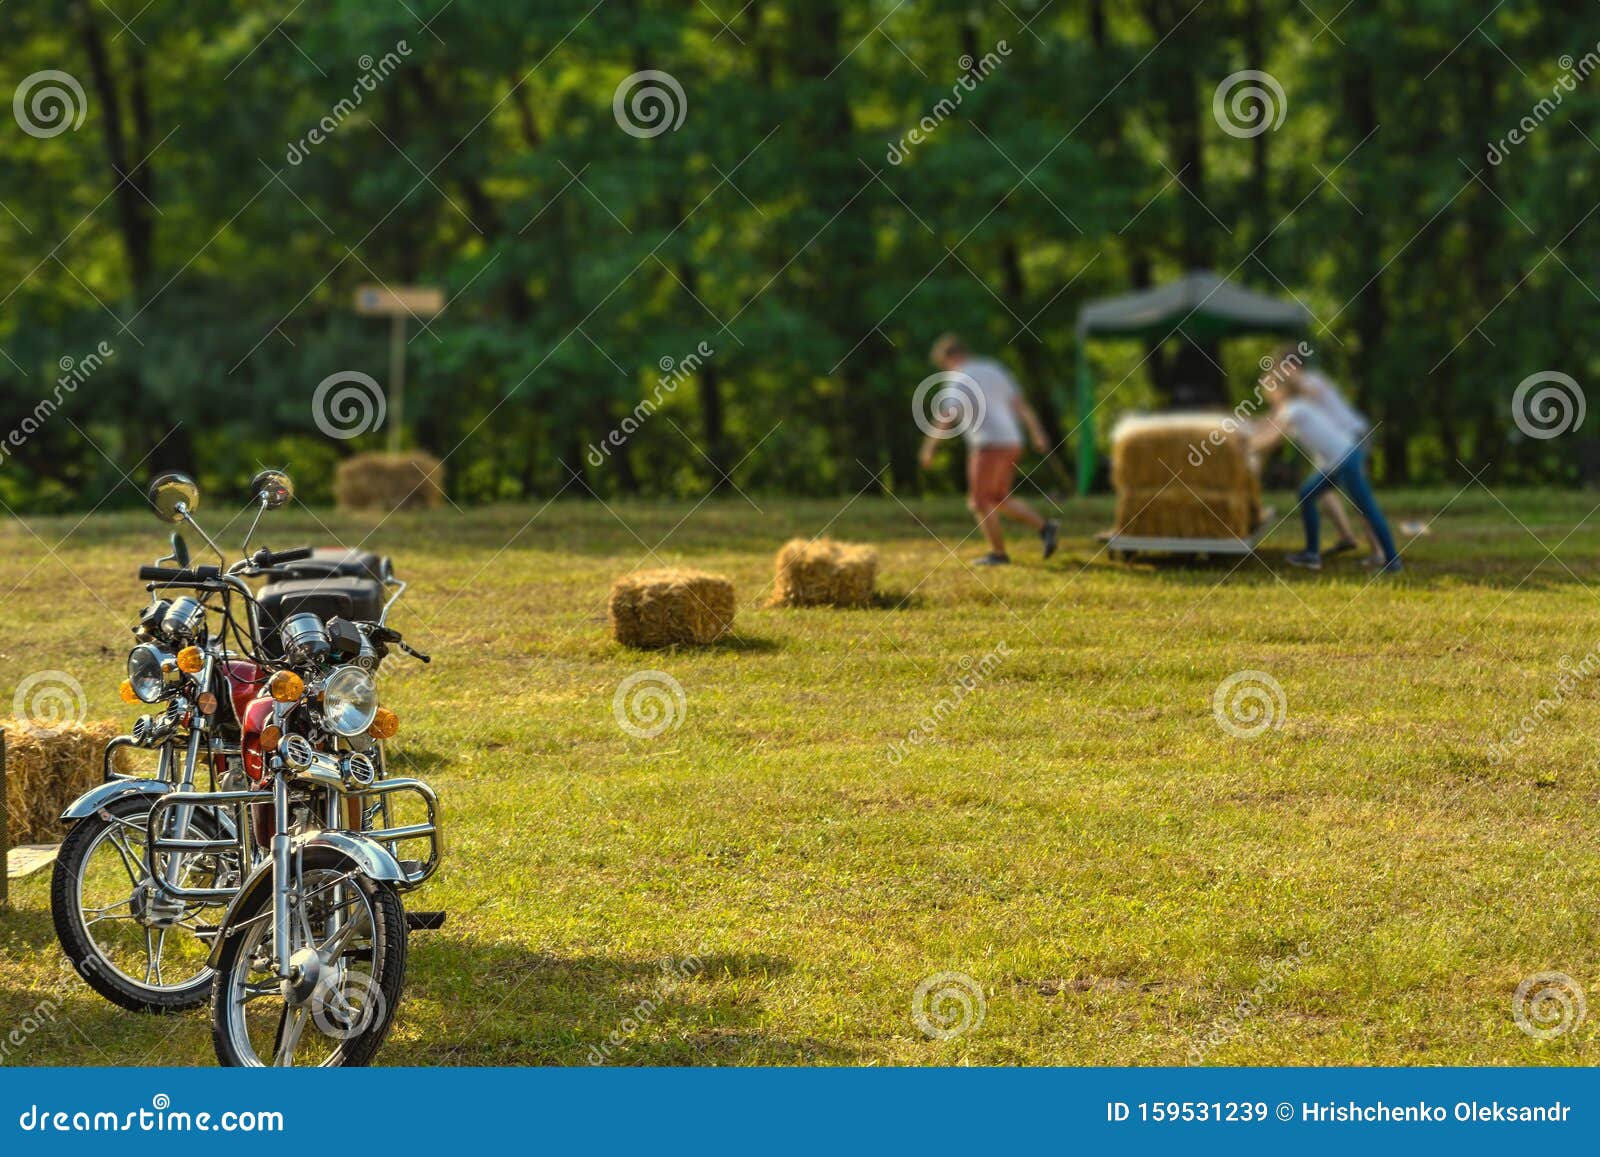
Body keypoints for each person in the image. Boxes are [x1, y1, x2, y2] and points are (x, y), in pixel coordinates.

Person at [918, 334, 1059, 566]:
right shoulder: (995, 369)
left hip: (988, 444)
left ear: (950, 357)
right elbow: (1020, 405)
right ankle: (1045, 528)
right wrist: (1037, 434)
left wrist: (929, 448)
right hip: (1012, 441)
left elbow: (946, 416)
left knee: (979, 501)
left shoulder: (958, 377)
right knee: (998, 498)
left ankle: (998, 554)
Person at [1251, 365, 1401, 574]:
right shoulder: (1294, 407)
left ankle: (1393, 562)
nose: (1267, 395)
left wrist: (1244, 446)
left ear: (1282, 390)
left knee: (1367, 508)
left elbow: (1271, 439)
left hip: (1346, 460)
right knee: (1307, 494)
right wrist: (1247, 432)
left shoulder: (1294, 409)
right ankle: (1311, 554)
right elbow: (1267, 425)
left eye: (1269, 390)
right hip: (1335, 463)